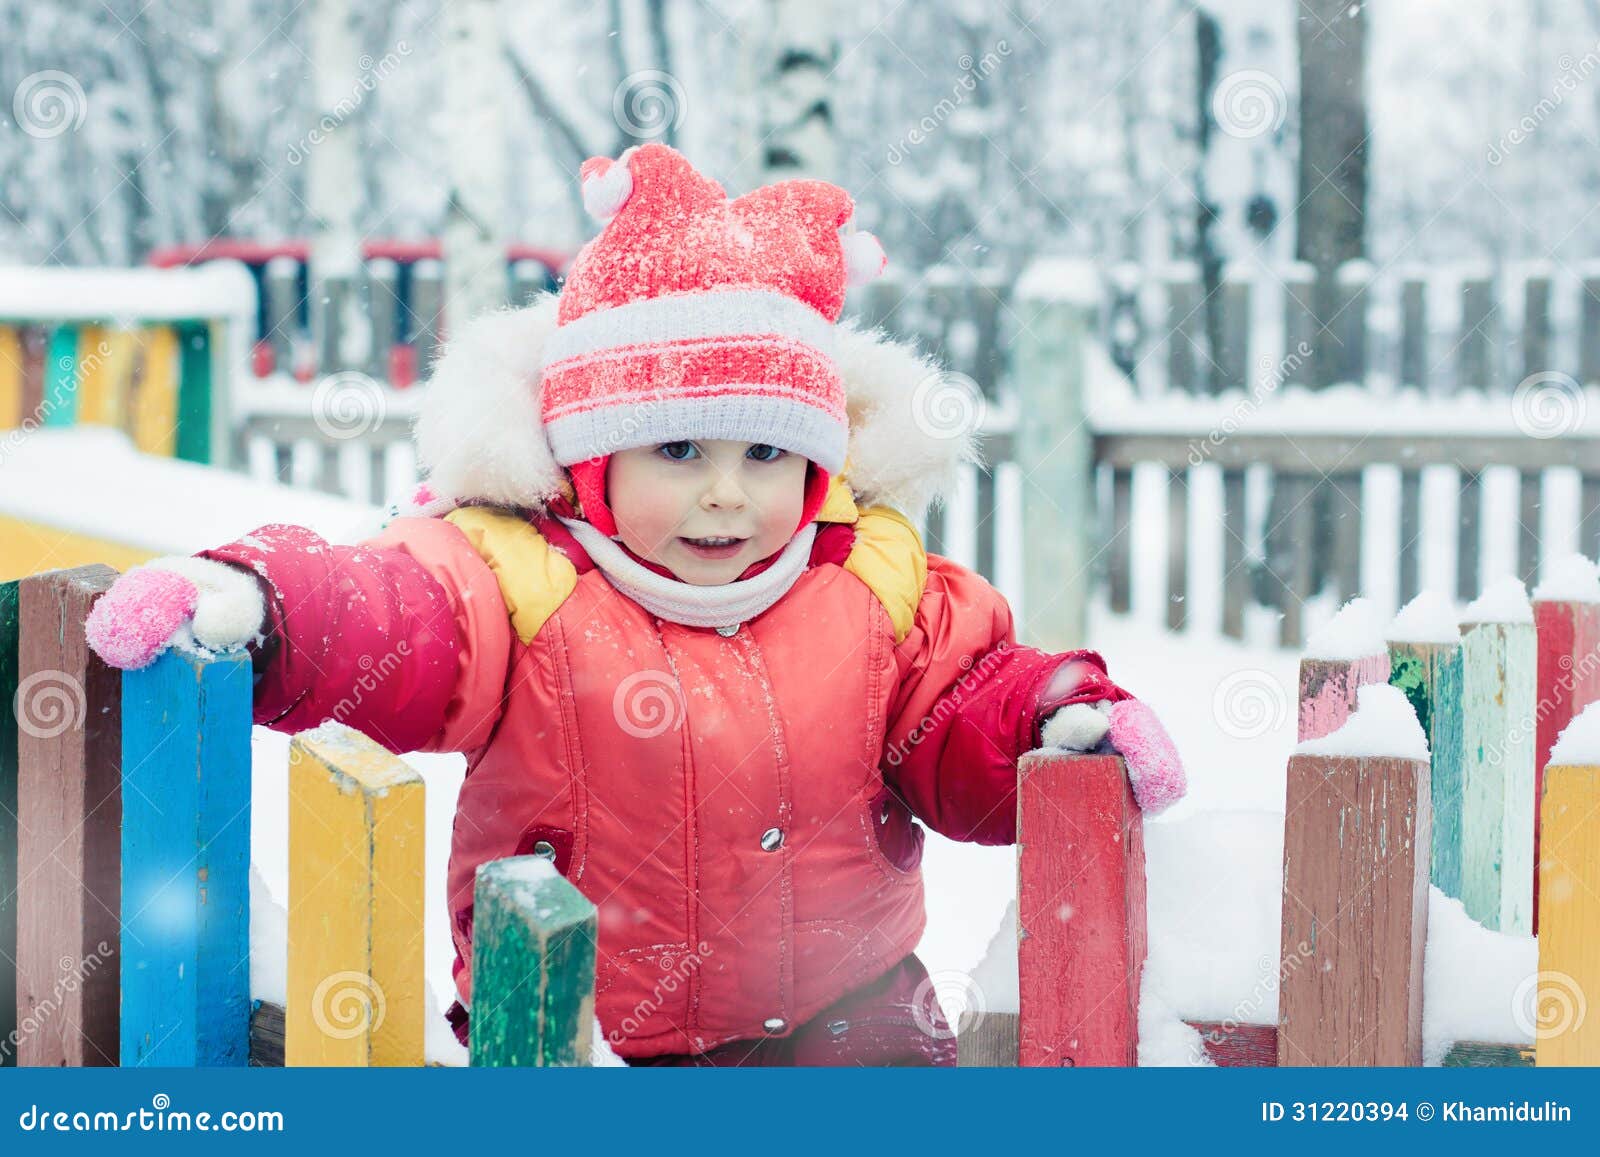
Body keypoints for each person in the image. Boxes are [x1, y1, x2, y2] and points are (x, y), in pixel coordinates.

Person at [84, 143, 1185, 1066]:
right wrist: (263, 601)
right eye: (676, 448)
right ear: (590, 462)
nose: (725, 491)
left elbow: (965, 701)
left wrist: (1054, 718)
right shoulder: (523, 581)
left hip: (857, 1032)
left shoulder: (872, 585)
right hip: (579, 1037)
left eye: (765, 451)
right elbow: (392, 609)